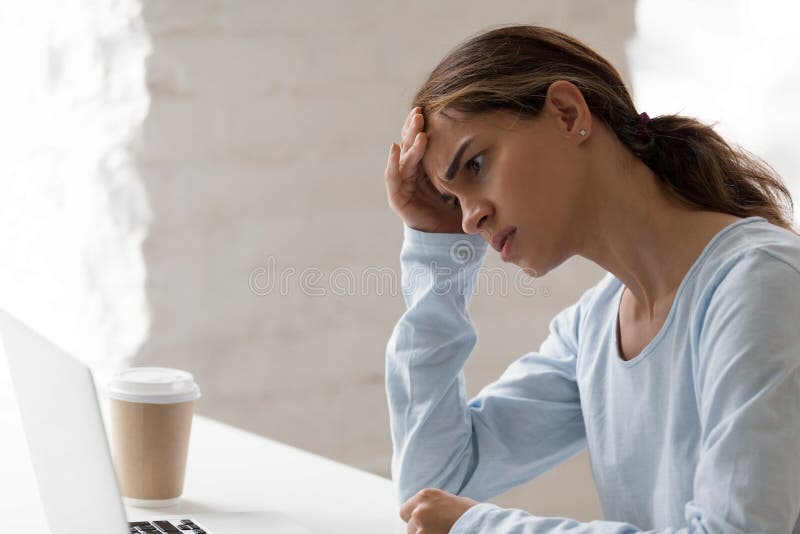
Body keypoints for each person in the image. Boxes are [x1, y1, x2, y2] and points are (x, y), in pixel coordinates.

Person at [383, 24, 800, 533]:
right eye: (454, 201)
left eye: (475, 164)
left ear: (566, 113)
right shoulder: (595, 329)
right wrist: (435, 246)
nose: (469, 218)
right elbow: (433, 478)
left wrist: (485, 529)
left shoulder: (760, 284)